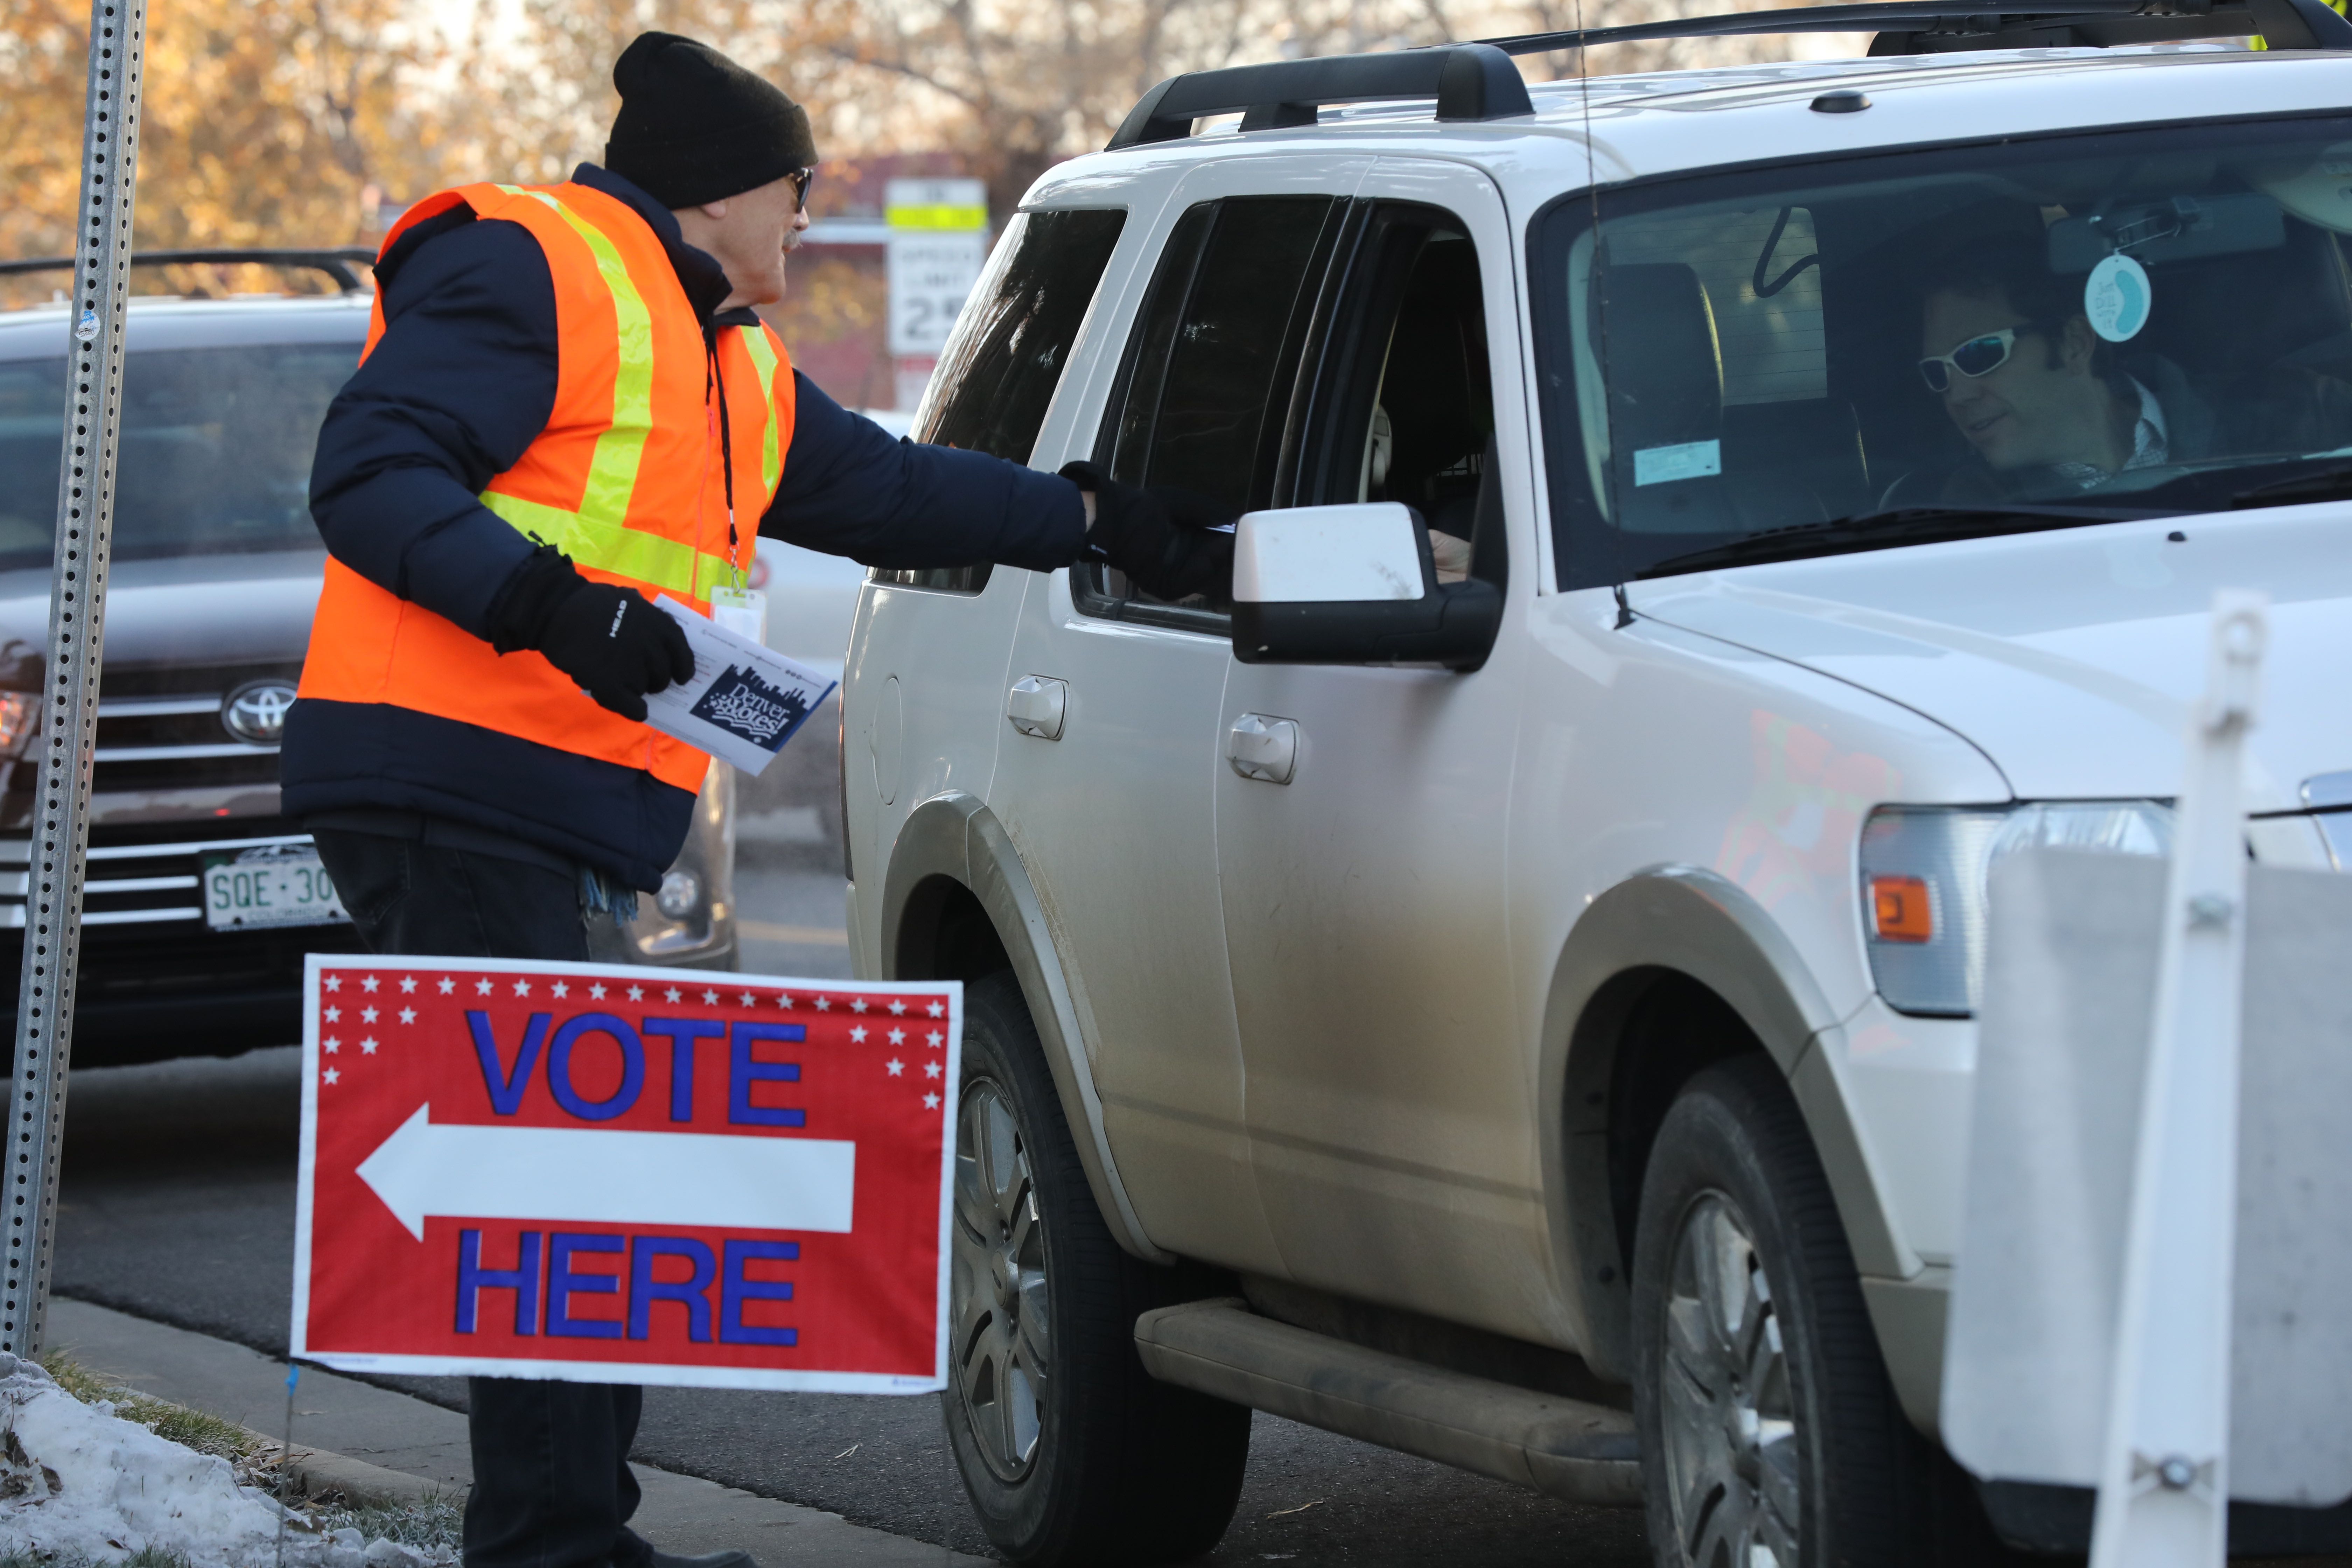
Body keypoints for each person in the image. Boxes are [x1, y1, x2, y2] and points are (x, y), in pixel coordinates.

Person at [282, 31, 1226, 1568]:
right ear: (724, 191)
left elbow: (895, 489)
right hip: (438, 777)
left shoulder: (723, 356)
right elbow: (371, 474)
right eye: (795, 190)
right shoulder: (536, 268)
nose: (804, 219)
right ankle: (553, 1547)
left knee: (578, 1186)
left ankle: (571, 1537)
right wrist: (563, 608)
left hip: (544, 802)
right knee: (546, 1195)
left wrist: (1101, 520)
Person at [1904, 234, 2352, 503]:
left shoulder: (2300, 410)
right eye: (1937, 374)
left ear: (2075, 342)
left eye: (1978, 355)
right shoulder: (1967, 513)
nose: (1957, 395)